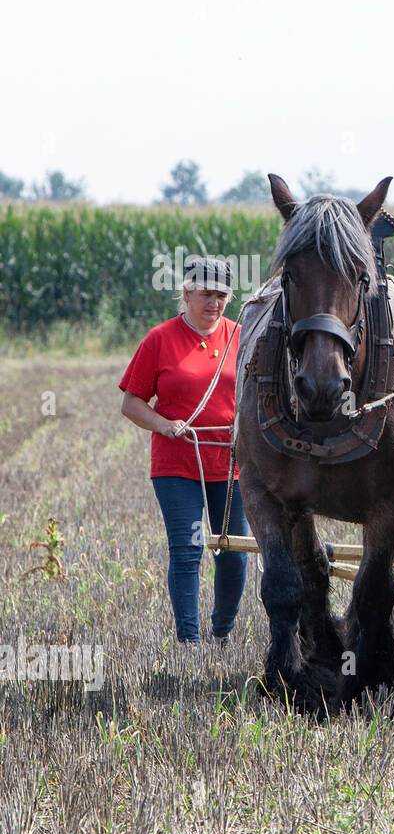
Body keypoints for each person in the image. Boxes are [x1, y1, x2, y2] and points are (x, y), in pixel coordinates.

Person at [119, 256, 248, 645]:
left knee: (234, 554)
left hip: (230, 464)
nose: (215, 303)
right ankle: (189, 641)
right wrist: (164, 425)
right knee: (189, 549)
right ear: (187, 293)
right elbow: (131, 402)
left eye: (222, 295)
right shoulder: (160, 339)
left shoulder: (241, 337)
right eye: (206, 294)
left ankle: (221, 632)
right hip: (177, 465)